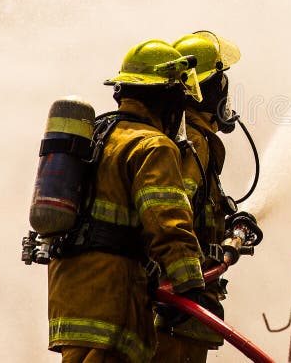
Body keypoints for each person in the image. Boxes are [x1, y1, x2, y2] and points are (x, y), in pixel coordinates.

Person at [47, 39, 211, 363]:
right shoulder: (153, 146)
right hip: (112, 293)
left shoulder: (97, 135)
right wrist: (189, 281)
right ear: (165, 99)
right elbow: (166, 220)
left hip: (70, 291)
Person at [152, 31, 242, 362]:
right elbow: (175, 211)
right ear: (208, 89)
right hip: (178, 310)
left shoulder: (182, 135)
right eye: (222, 82)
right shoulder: (193, 141)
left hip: (180, 305)